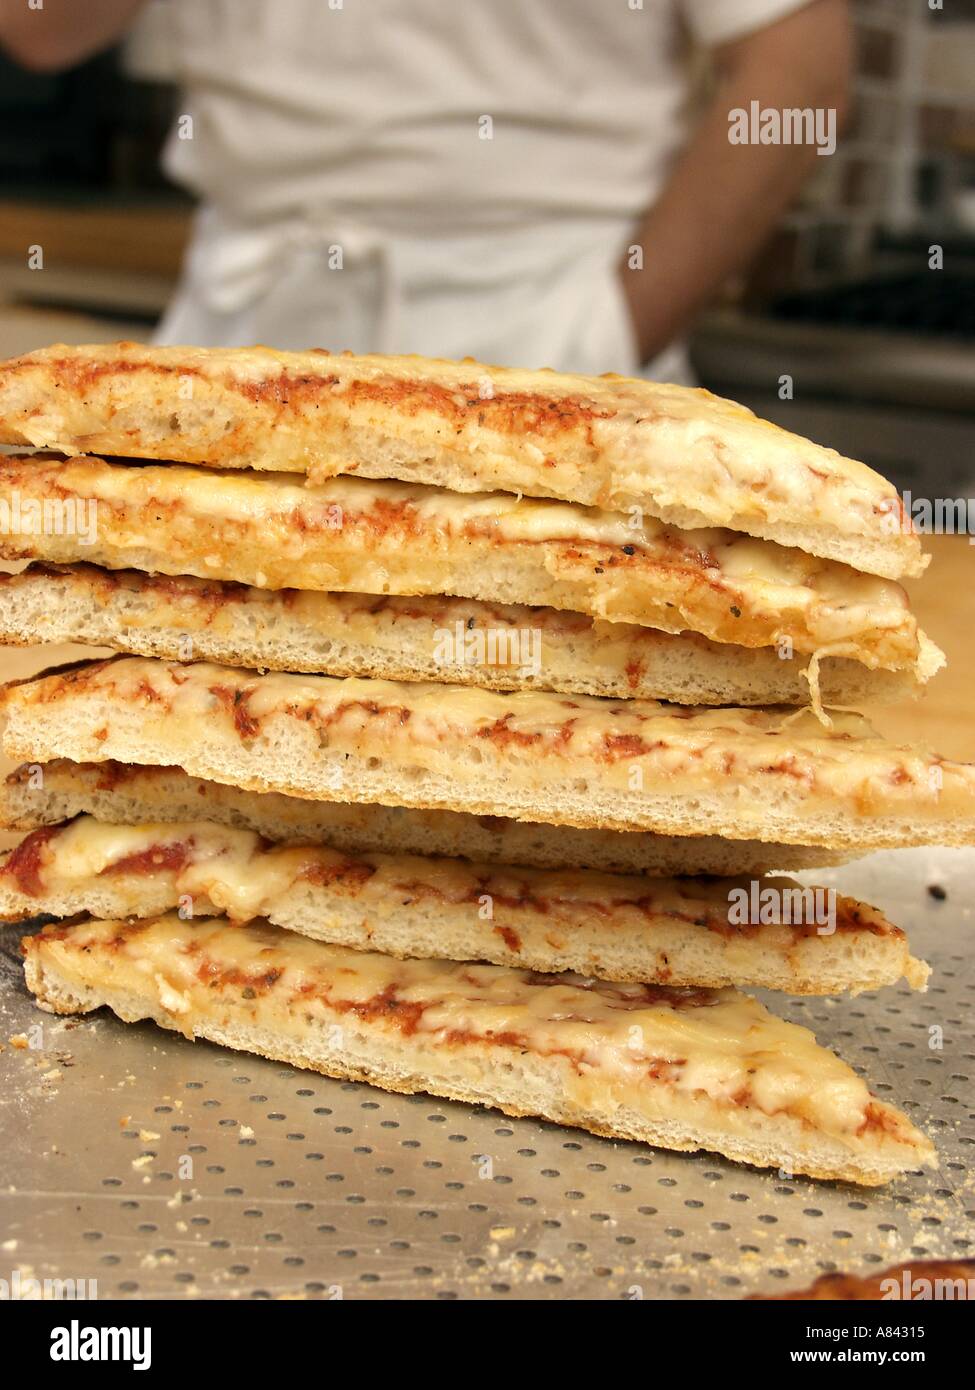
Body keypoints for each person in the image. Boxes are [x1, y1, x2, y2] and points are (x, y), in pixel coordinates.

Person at [1, 0, 849, 380]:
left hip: (541, 322)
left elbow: (799, 67)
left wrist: (612, 328)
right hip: (240, 320)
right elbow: (39, 25)